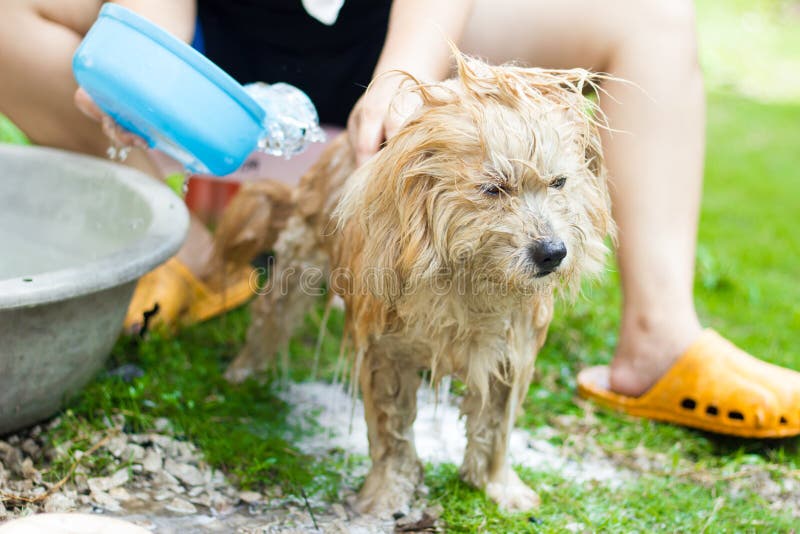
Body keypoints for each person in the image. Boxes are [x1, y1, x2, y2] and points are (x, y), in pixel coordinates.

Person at [2, 0, 798, 438]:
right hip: (232, 49)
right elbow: (153, 15)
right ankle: (192, 257)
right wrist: (146, 79)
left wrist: (407, 76)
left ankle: (658, 337)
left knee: (652, 17)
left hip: (407, 34)